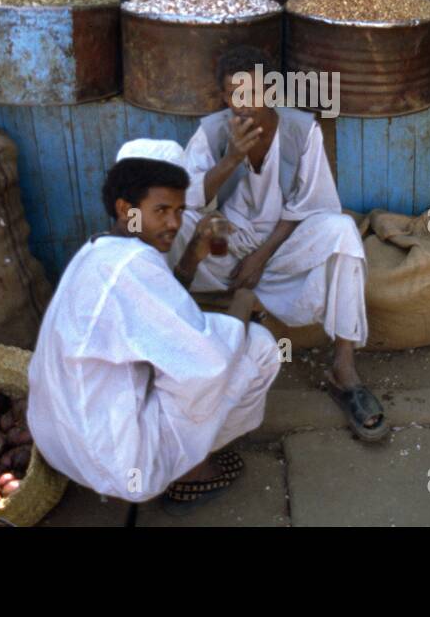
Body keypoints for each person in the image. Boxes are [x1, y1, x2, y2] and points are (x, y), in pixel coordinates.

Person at [27, 140, 281, 513]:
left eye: (179, 210)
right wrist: (243, 303)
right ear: (125, 209)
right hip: (118, 463)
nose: (174, 223)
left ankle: (182, 452)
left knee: (208, 340)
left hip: (60, 440)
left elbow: (158, 319)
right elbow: (208, 360)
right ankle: (189, 471)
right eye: (161, 210)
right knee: (257, 346)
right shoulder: (133, 263)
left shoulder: (99, 249)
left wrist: (192, 256)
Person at [168, 45, 389, 442]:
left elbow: (309, 204)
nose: (244, 105)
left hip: (280, 244)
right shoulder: (213, 131)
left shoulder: (301, 130)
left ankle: (343, 369)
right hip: (227, 243)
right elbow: (191, 197)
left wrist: (260, 257)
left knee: (341, 232)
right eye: (234, 95)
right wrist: (231, 159)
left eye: (253, 93)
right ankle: (174, 342)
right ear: (223, 97)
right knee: (175, 221)